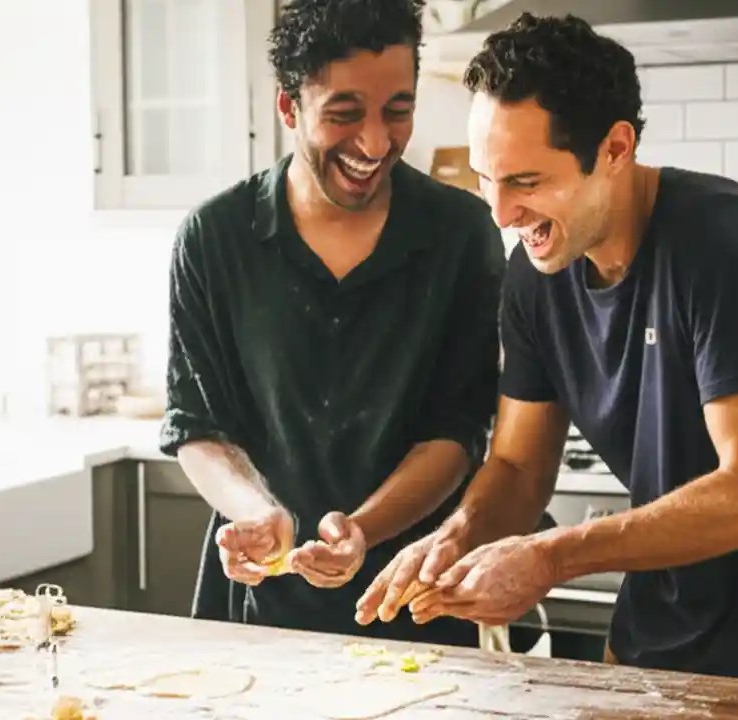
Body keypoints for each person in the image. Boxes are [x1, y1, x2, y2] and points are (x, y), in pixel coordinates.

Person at [356, 13, 738, 686]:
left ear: (614, 149)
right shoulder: (534, 273)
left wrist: (551, 557)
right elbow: (521, 468)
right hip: (649, 650)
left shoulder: (725, 242)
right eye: (485, 179)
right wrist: (456, 535)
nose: (500, 214)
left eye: (525, 182)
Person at [157, 0, 519, 649]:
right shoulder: (214, 240)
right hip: (257, 613)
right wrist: (256, 512)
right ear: (289, 108)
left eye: (398, 110)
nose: (375, 143)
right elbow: (197, 425)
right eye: (344, 114)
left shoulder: (461, 236)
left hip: (417, 607)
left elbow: (457, 431)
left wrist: (363, 529)